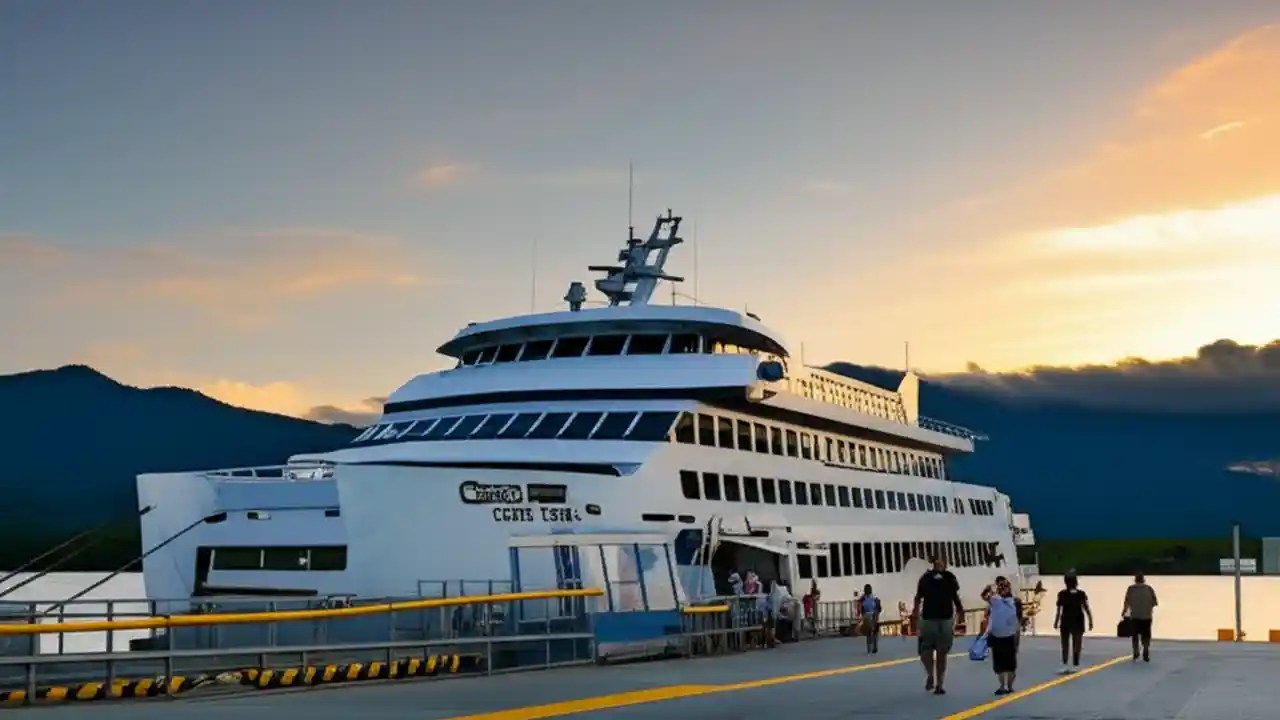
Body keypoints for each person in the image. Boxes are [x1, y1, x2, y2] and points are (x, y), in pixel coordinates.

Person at [913, 555, 964, 695]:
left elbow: (955, 596)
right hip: (929, 619)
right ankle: (930, 674)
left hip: (945, 619)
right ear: (934, 564)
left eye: (942, 563)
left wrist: (960, 612)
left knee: (942, 653)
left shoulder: (949, 578)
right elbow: (918, 597)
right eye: (938, 562)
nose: (940, 565)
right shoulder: (926, 578)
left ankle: (939, 684)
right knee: (925, 651)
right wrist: (915, 613)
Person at [985, 576, 1023, 695]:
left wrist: (988, 589)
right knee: (1010, 662)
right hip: (1010, 634)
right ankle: (1010, 686)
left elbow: (987, 612)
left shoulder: (995, 600)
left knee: (1000, 662)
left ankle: (1002, 686)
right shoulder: (1015, 601)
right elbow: (1019, 619)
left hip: (997, 634)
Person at [1054, 570, 1093, 673]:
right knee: (1077, 643)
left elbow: (1059, 610)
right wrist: (1090, 620)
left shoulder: (1062, 594)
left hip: (1066, 620)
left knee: (1065, 644)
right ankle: (1076, 664)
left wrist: (1056, 621)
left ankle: (1065, 664)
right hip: (1078, 620)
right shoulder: (1081, 594)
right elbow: (1086, 608)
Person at [1122, 571, 1158, 662]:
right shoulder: (1149, 589)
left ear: (1135, 580)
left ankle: (1136, 651)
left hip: (1135, 615)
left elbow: (1127, 601)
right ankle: (1146, 650)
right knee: (1146, 635)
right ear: (1144, 580)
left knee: (1135, 635)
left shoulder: (1131, 589)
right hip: (1146, 615)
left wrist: (1124, 611)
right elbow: (1155, 602)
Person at [860, 583, 882, 654]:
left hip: (873, 616)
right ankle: (870, 648)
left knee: (873, 633)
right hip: (868, 616)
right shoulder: (863, 598)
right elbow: (861, 609)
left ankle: (873, 647)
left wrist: (876, 614)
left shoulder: (874, 598)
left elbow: (879, 608)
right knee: (869, 633)